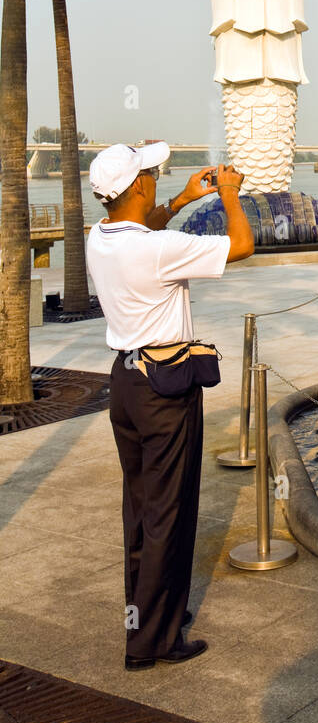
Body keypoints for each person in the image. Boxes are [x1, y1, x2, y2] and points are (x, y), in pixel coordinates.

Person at [86, 143, 254, 670]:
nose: (157, 180)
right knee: (169, 512)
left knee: (140, 508)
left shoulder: (101, 238)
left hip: (127, 382)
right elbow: (242, 245)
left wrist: (182, 197)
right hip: (164, 387)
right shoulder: (158, 250)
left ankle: (147, 614)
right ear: (136, 186)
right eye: (153, 175)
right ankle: (153, 642)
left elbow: (146, 223)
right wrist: (228, 193)